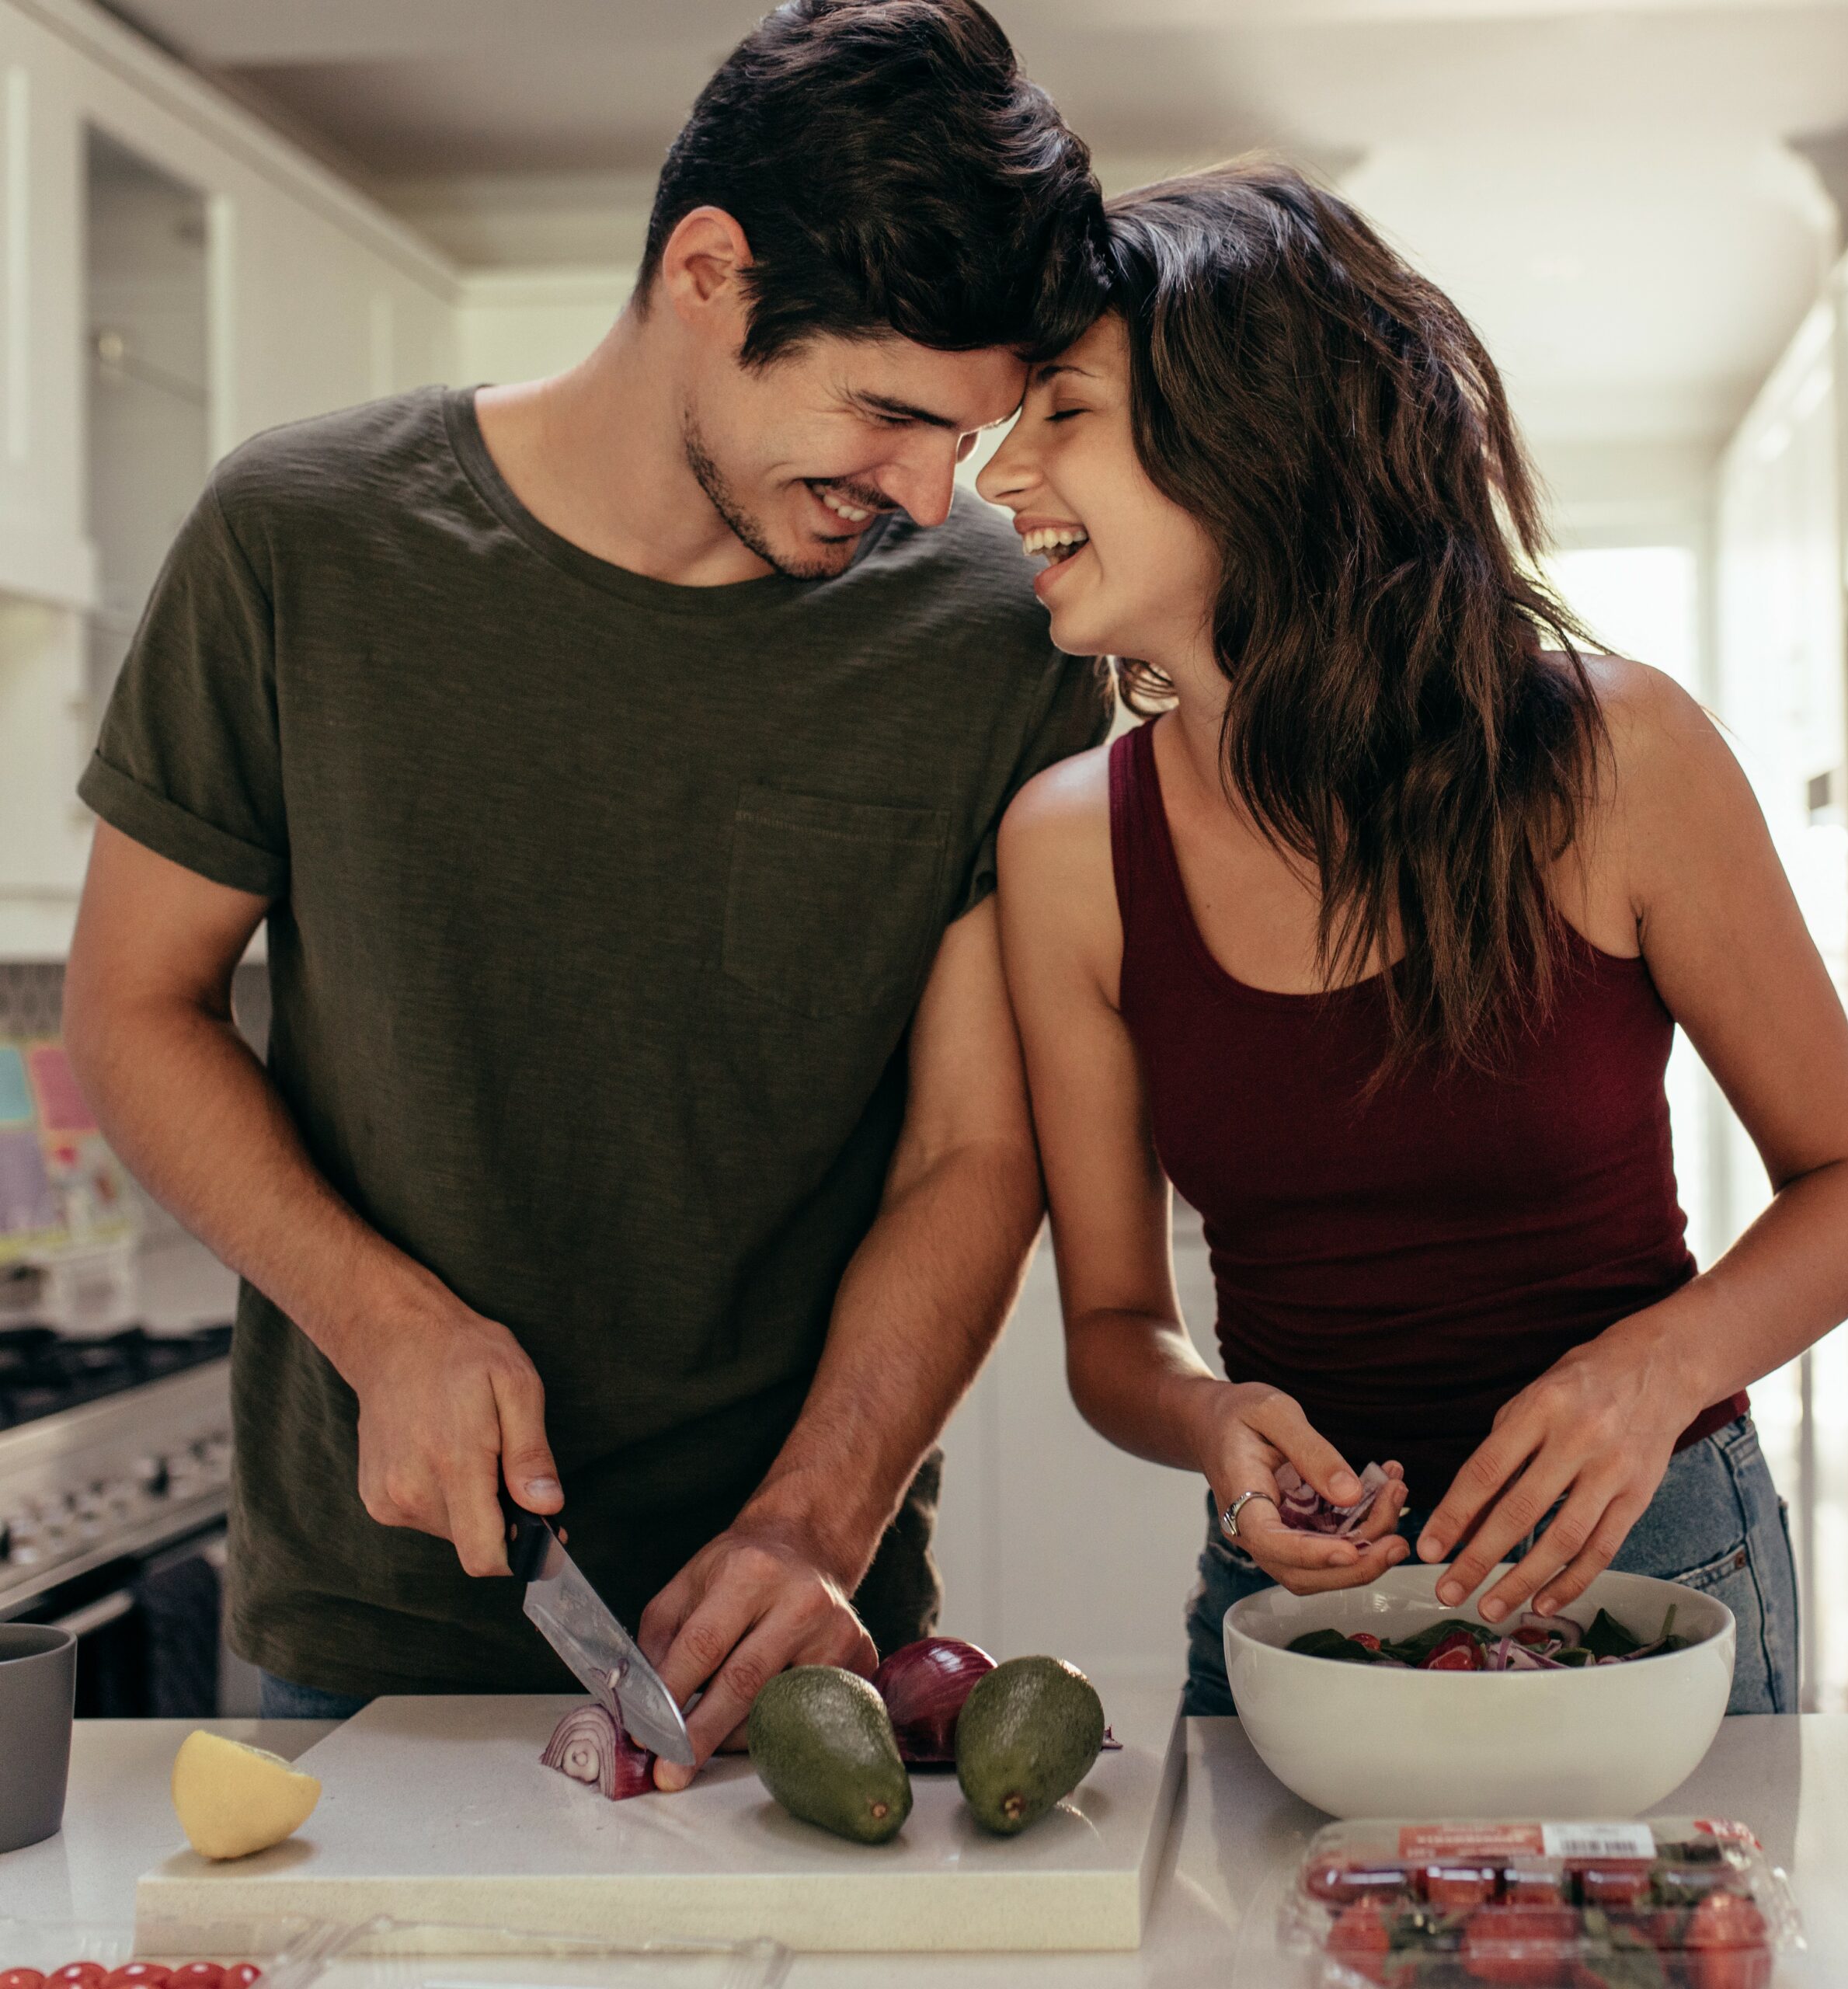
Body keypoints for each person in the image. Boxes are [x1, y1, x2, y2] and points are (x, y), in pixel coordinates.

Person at [61, 0, 1110, 1780]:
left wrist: (818, 1518)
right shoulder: (299, 540)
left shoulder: (986, 640)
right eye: (885, 412)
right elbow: (131, 1005)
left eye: (969, 430)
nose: (938, 493)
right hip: (372, 1633)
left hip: (799, 1631)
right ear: (708, 272)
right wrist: (382, 1321)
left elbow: (968, 1149)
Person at [983, 163, 1848, 1716]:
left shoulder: (1612, 754)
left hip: (1659, 1569)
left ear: (1245, 432)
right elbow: (1109, 1323)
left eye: (1060, 412)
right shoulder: (1068, 847)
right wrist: (1210, 1419)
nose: (999, 472)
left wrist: (1651, 1373)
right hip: (1296, 1609)